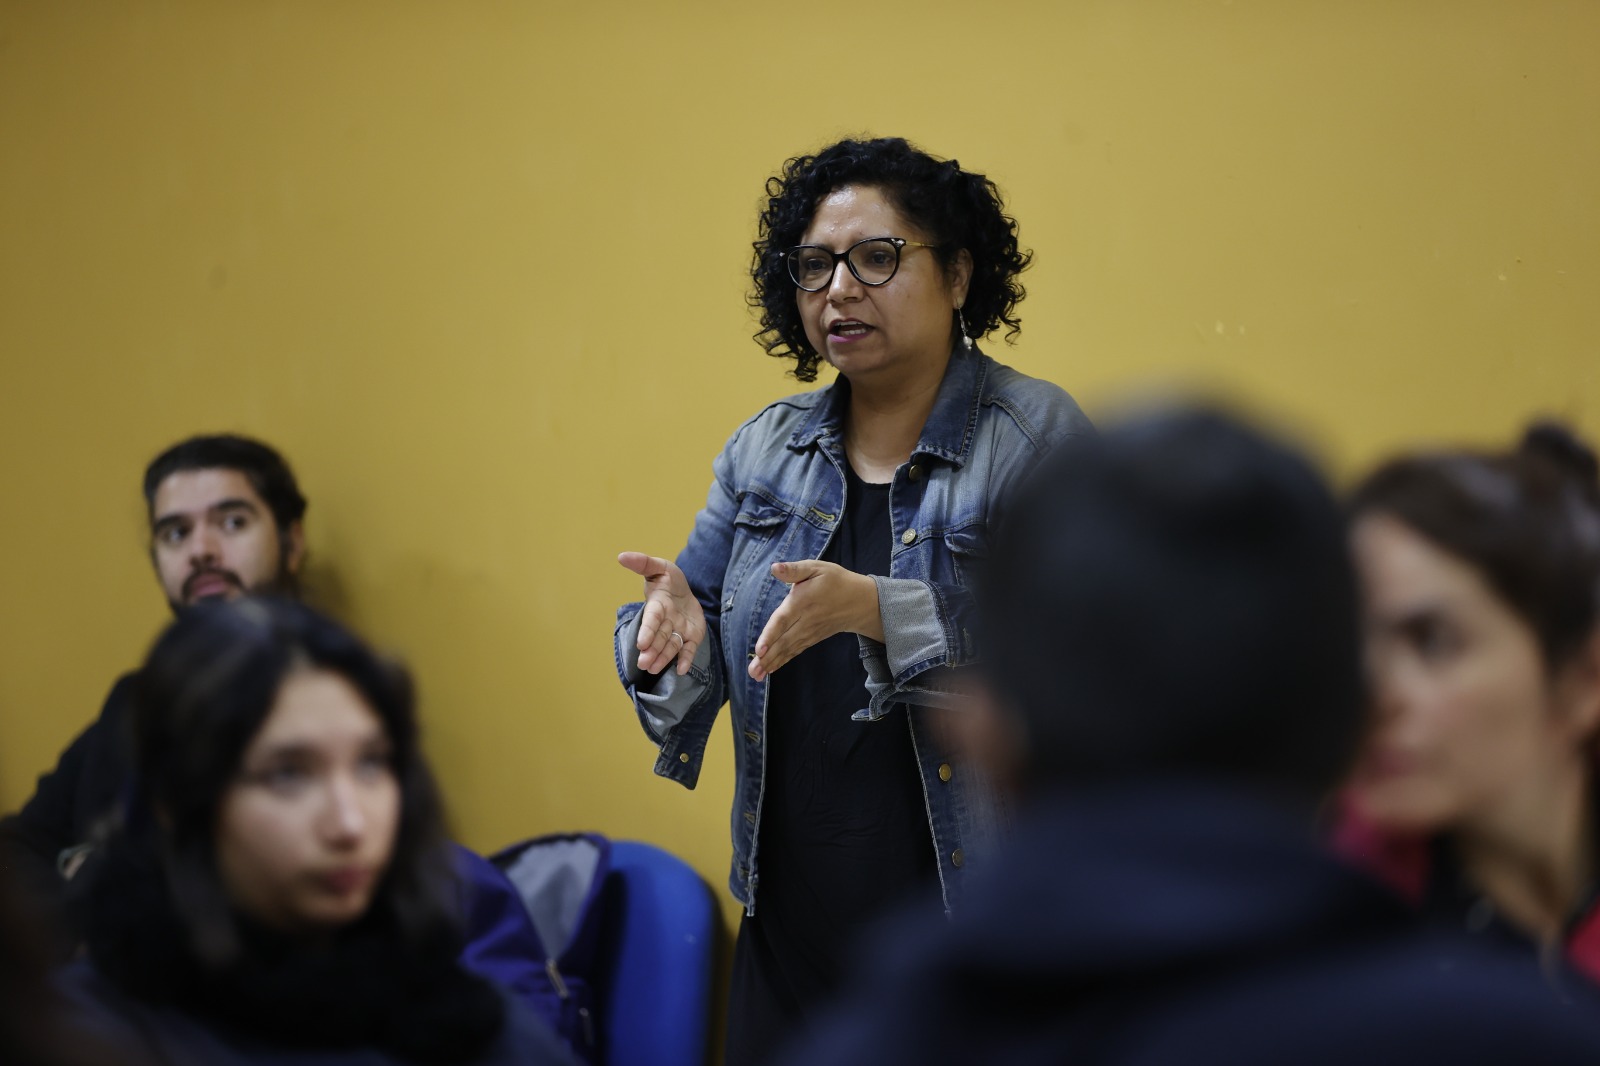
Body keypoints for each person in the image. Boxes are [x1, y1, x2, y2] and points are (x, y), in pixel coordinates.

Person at [780, 408, 1600, 1065]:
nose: (1390, 689)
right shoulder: (1502, 1024)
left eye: (1432, 640)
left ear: (979, 725)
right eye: (1368, 643)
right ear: (1336, 710)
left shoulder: (874, 1031)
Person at [612, 136, 1090, 1060]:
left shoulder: (1037, 439)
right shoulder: (764, 450)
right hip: (792, 928)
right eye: (814, 266)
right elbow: (696, 654)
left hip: (974, 927)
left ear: (957, 275)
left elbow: (1087, 657)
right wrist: (663, 642)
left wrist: (885, 609)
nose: (839, 289)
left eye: (877, 258)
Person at [58, 598, 577, 1066]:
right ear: (177, 799)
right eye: (288, 774)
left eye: (371, 764)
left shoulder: (462, 1013)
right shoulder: (79, 1033)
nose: (350, 824)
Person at [0, 434, 307, 932]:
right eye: (175, 533)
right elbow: (18, 846)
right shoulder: (134, 701)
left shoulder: (335, 701)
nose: (201, 551)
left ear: (292, 543)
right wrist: (76, 890)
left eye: (232, 522)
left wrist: (90, 875)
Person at [1336, 422, 1600, 981]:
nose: (1374, 696)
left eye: (1431, 642)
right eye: (1351, 643)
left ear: (1583, 682)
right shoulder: (1324, 932)